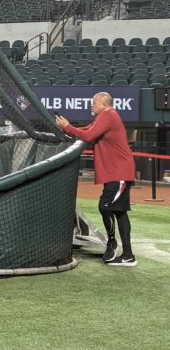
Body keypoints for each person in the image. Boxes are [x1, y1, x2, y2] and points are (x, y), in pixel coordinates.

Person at [56, 92, 137, 266]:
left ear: (104, 105)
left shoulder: (108, 115)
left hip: (119, 172)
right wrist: (68, 128)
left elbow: (87, 136)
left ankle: (112, 243)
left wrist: (67, 127)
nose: (91, 105)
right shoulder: (104, 116)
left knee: (105, 205)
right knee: (120, 212)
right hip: (117, 172)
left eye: (93, 103)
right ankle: (128, 255)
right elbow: (87, 130)